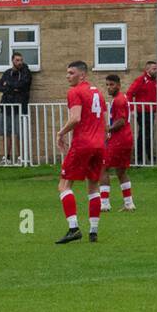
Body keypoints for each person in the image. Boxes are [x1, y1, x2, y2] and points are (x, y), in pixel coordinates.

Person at [54, 61, 106, 244]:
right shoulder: (97, 92)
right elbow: (102, 119)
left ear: (82, 75)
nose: (68, 76)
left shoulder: (74, 92)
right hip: (99, 145)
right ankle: (93, 231)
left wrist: (61, 132)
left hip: (83, 143)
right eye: (67, 73)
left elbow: (75, 118)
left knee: (64, 185)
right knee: (93, 186)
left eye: (71, 73)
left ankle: (73, 228)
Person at [100, 73, 135, 212]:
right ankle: (129, 203)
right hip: (126, 138)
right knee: (121, 171)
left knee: (103, 168)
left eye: (112, 85)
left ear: (119, 85)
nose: (109, 88)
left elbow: (120, 120)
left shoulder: (119, 100)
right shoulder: (123, 97)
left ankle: (104, 203)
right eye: (107, 85)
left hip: (119, 140)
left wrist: (109, 129)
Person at [0, 51, 33, 165]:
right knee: (6, 133)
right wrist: (12, 88)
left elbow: (22, 85)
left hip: (20, 107)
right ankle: (6, 158)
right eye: (17, 60)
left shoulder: (26, 72)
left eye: (21, 60)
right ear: (12, 61)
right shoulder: (7, 73)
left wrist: (9, 85)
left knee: (19, 133)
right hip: (6, 106)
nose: (20, 62)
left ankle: (20, 157)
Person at [127, 60, 157, 164]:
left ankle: (147, 157)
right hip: (142, 111)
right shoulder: (141, 80)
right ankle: (141, 158)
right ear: (147, 69)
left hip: (151, 111)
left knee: (148, 134)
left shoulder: (155, 80)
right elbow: (130, 93)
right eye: (154, 69)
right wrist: (132, 109)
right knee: (144, 134)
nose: (156, 71)